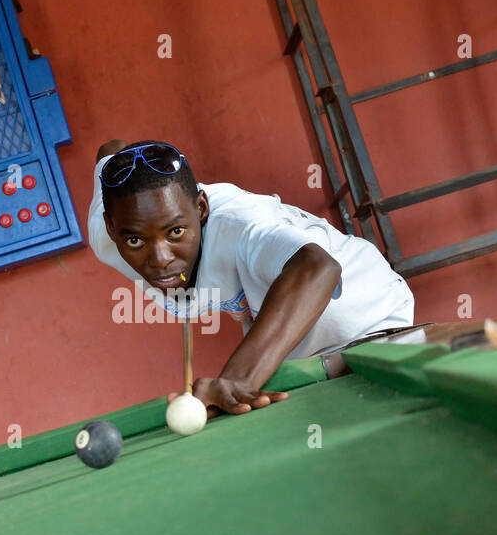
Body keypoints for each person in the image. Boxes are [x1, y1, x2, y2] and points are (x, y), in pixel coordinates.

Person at [89, 139, 414, 416]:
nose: (160, 260)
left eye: (176, 231)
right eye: (135, 241)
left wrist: (237, 380)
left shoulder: (241, 225)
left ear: (201, 208)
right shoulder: (109, 236)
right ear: (111, 228)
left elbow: (318, 268)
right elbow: (110, 150)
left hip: (372, 321)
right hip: (299, 356)